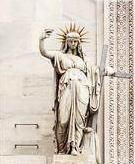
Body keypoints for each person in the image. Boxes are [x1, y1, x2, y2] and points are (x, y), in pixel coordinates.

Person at [39, 25, 102, 156]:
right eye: (70, 41)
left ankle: (75, 147)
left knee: (79, 120)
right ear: (66, 42)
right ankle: (62, 150)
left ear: (78, 43)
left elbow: (96, 71)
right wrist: (42, 40)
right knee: (63, 119)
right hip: (66, 87)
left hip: (82, 88)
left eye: (75, 41)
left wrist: (107, 71)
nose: (73, 44)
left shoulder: (84, 60)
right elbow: (45, 53)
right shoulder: (60, 56)